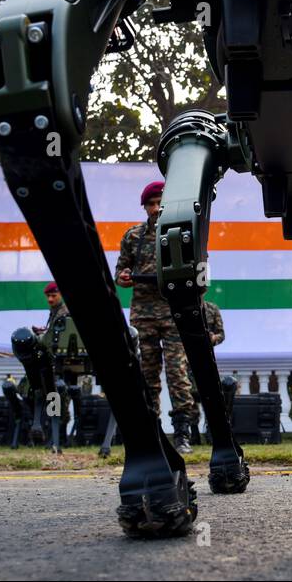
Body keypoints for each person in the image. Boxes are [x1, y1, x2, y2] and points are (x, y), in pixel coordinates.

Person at [115, 180, 196, 454]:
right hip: (143, 315)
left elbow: (199, 270)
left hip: (174, 312)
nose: (156, 208)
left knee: (177, 375)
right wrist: (125, 278)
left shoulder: (182, 232)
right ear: (144, 207)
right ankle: (154, 434)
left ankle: (183, 433)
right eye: (151, 204)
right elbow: (120, 274)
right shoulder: (133, 236)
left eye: (160, 202)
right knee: (147, 377)